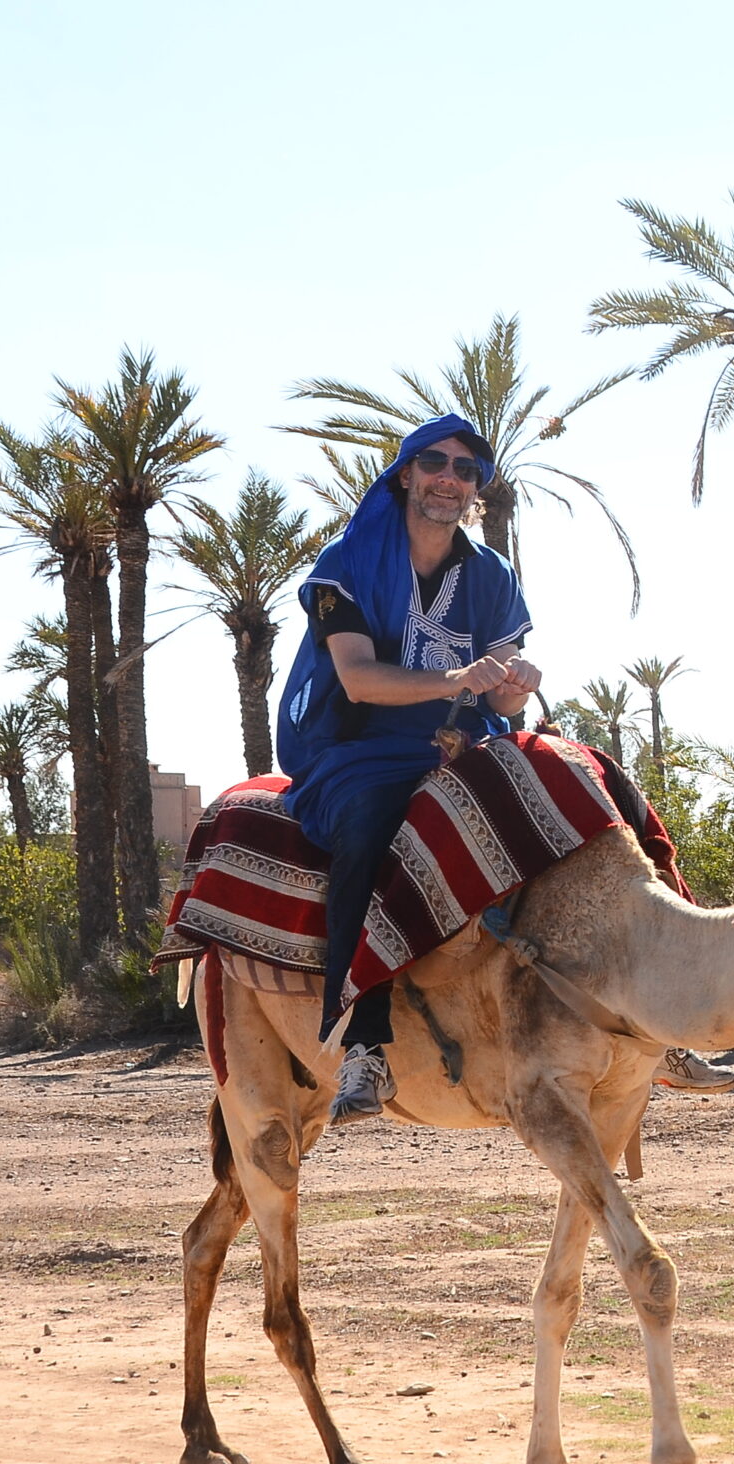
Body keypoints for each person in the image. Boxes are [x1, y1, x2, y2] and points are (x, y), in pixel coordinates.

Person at [276, 414, 539, 1123]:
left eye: (466, 470)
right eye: (435, 463)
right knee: (370, 828)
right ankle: (363, 1041)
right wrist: (460, 679)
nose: (449, 478)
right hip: (361, 748)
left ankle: (650, 1017)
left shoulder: (492, 576)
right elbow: (359, 680)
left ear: (476, 489)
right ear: (405, 474)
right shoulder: (345, 564)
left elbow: (506, 694)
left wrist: (514, 685)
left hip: (465, 743)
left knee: (589, 790)